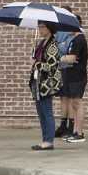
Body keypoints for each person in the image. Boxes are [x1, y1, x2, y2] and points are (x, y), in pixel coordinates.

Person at [30, 21, 65, 151]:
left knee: (46, 112)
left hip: (47, 83)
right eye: (39, 26)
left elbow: (52, 66)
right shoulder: (42, 42)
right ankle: (45, 139)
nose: (40, 29)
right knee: (41, 112)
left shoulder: (52, 45)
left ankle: (49, 141)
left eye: (42, 27)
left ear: (49, 28)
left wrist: (37, 64)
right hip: (39, 82)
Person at [56, 12, 88, 143]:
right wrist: (65, 59)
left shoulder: (79, 39)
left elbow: (72, 58)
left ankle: (79, 133)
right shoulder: (73, 39)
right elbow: (68, 58)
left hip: (77, 76)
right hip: (71, 75)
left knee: (77, 103)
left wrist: (58, 58)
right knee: (74, 105)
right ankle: (74, 131)